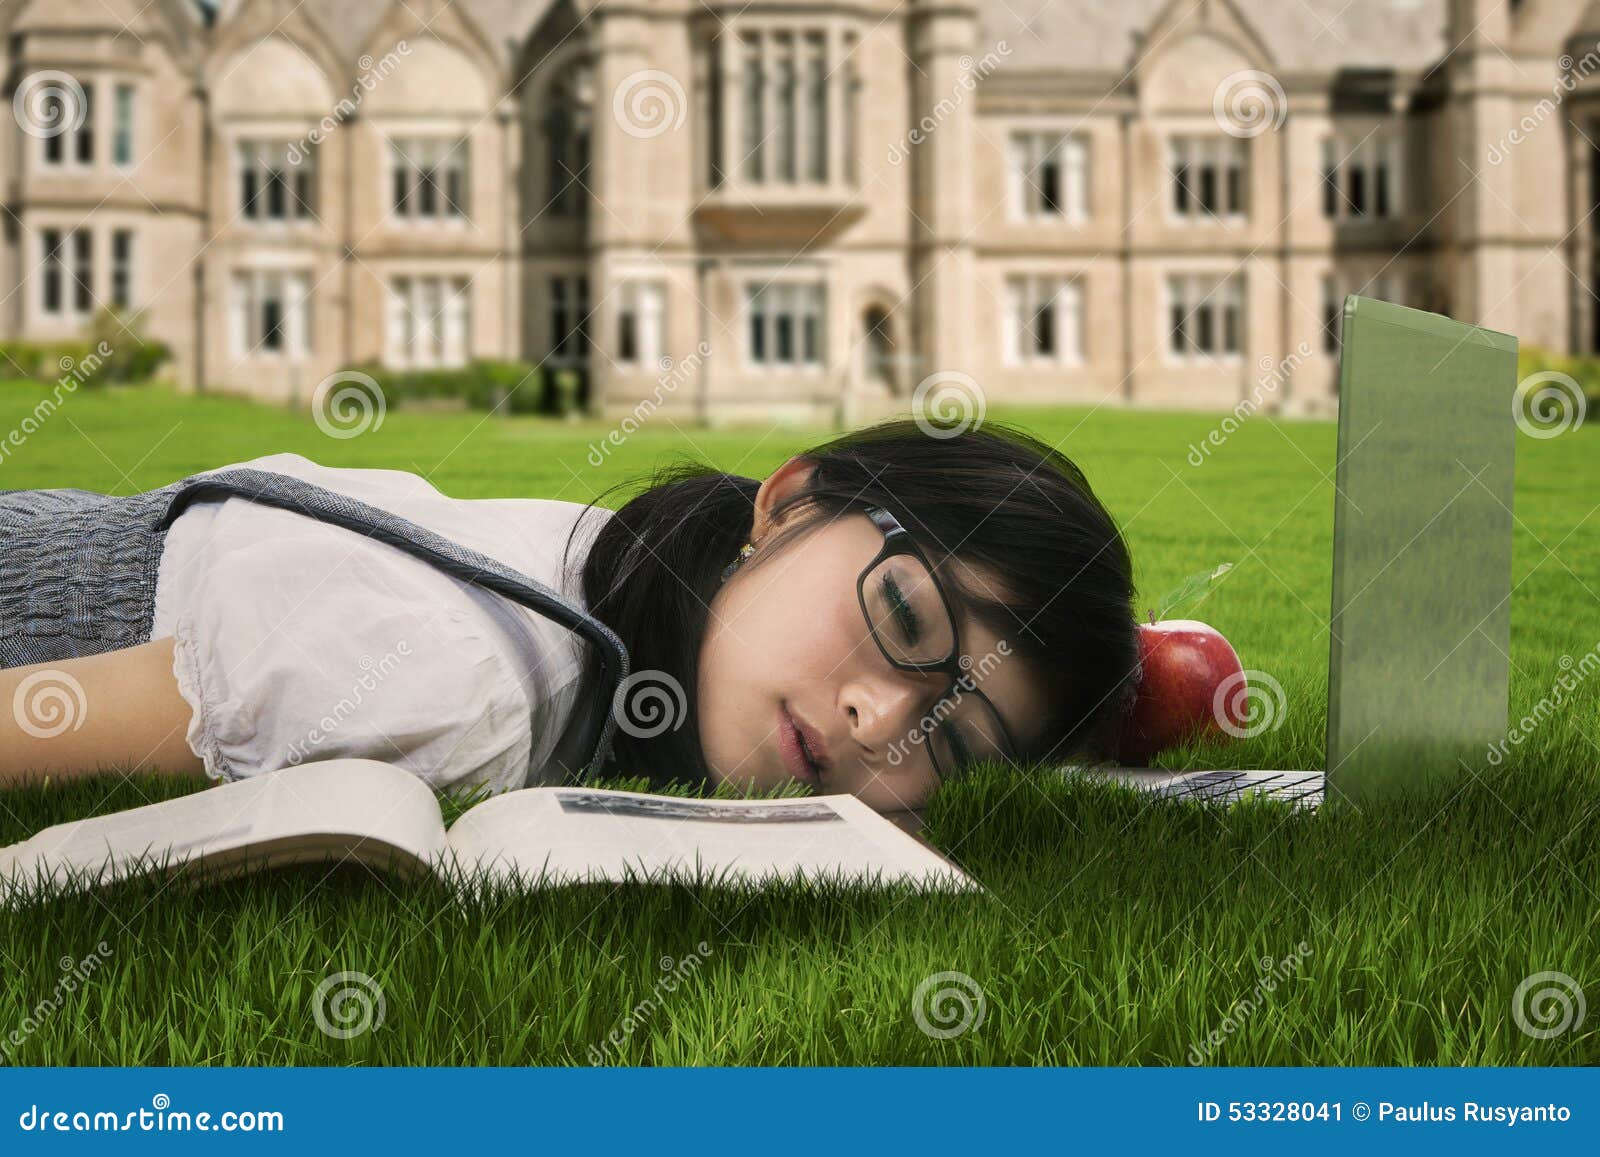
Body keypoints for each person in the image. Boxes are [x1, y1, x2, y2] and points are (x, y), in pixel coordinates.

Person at [0, 417, 1139, 819]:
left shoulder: (636, 569)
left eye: (948, 736)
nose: (877, 711)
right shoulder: (451, 685)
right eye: (901, 613)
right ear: (789, 499)